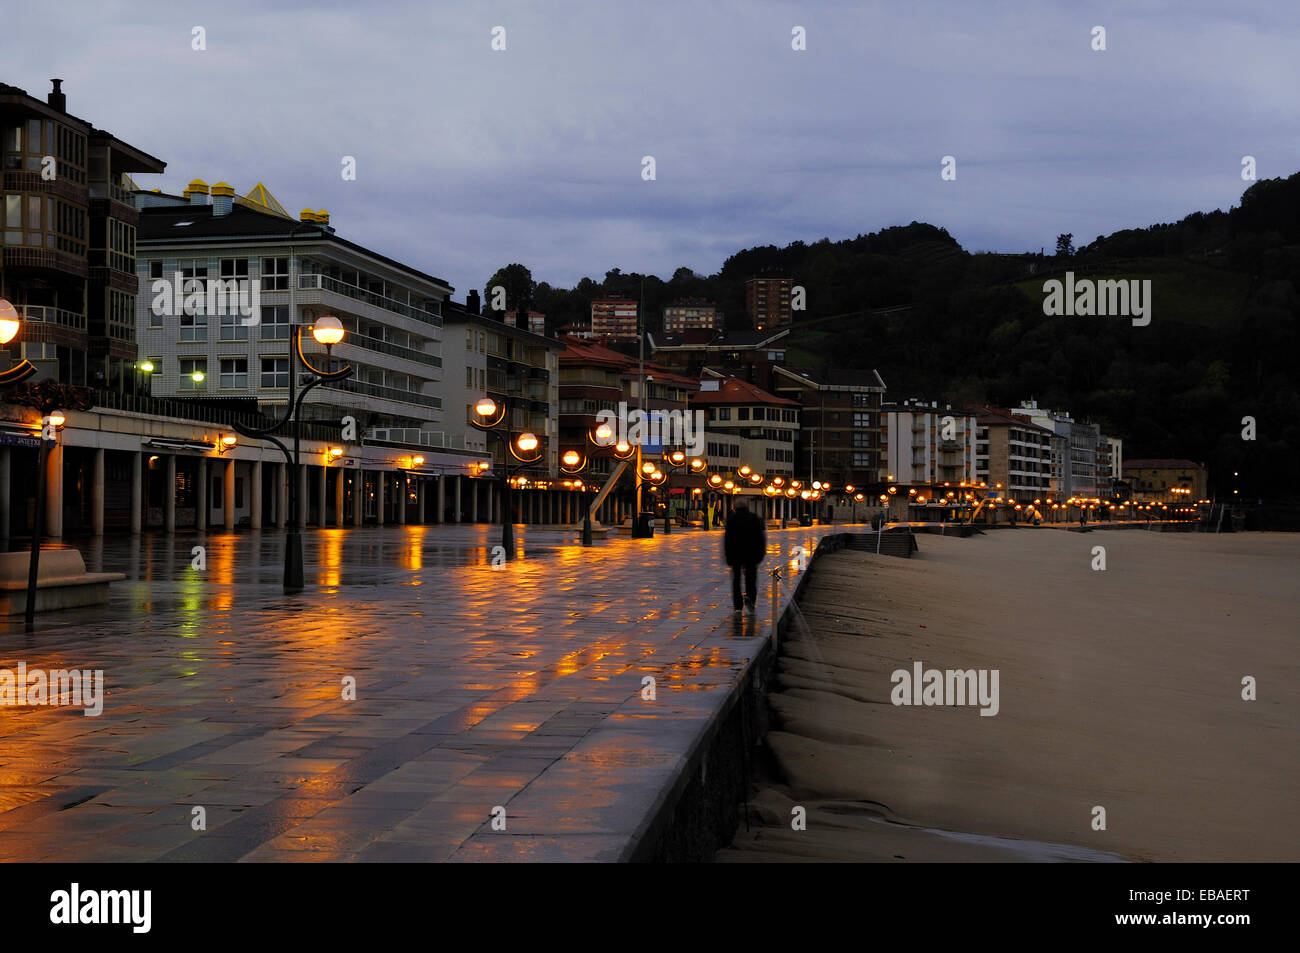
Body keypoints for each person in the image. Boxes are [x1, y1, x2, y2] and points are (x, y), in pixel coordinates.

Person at [723, 502, 766, 612]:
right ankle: (750, 598)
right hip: (751, 554)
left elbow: (727, 540)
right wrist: (760, 554)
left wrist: (728, 556)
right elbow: (761, 539)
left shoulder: (732, 520)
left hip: (736, 554)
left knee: (736, 580)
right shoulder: (754, 518)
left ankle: (738, 606)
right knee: (751, 578)